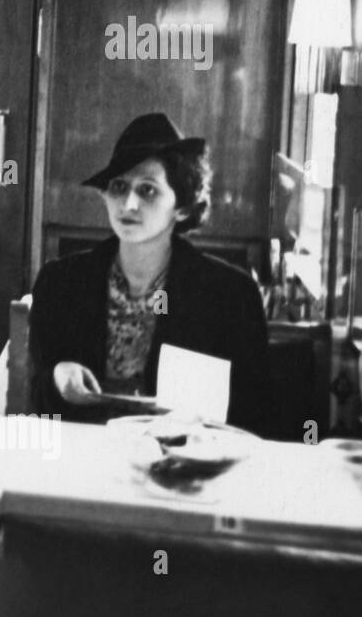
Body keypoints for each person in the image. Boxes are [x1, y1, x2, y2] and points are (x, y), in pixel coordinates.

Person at [28, 112, 271, 434]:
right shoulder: (61, 283)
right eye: (119, 187)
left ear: (183, 206)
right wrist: (57, 375)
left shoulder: (230, 295)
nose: (128, 204)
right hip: (83, 462)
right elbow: (37, 395)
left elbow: (252, 413)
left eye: (148, 190)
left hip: (185, 466)